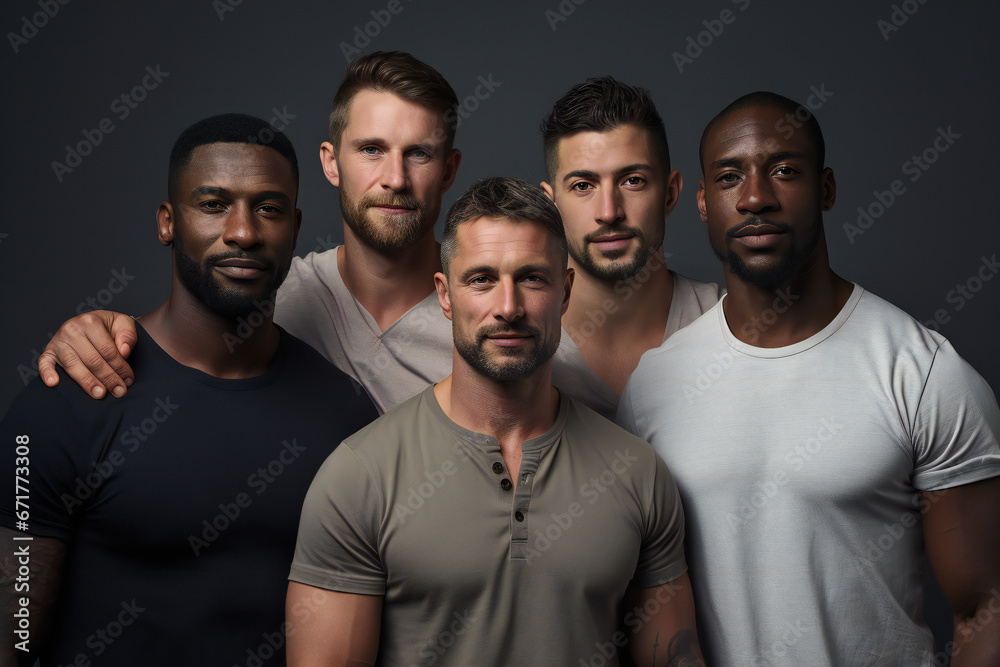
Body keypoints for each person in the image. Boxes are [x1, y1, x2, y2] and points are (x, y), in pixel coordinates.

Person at [35, 69, 720, 421]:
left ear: (449, 170)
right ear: (331, 162)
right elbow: (188, 322)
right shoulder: (276, 294)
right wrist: (100, 331)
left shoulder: (505, 320)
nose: (394, 178)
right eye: (372, 150)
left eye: (418, 154)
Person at [618, 92, 1000, 665]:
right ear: (702, 202)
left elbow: (983, 612)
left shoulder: (923, 374)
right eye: (729, 177)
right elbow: (640, 603)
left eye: (784, 171)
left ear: (827, 189)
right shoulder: (655, 386)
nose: (754, 198)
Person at [0, 114, 378, 666]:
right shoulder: (71, 395)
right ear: (167, 222)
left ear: (295, 228)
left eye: (268, 208)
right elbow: (15, 637)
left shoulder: (344, 413)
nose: (243, 232)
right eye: (213, 204)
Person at [285, 177, 706, 667]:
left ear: (565, 291)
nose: (509, 308)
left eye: (532, 278)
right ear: (444, 295)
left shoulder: (638, 473)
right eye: (482, 279)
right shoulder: (358, 477)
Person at [541, 77, 722, 417]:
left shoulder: (730, 325)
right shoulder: (516, 339)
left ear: (670, 194)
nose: (609, 212)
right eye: (583, 185)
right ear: (550, 206)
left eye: (632, 181)